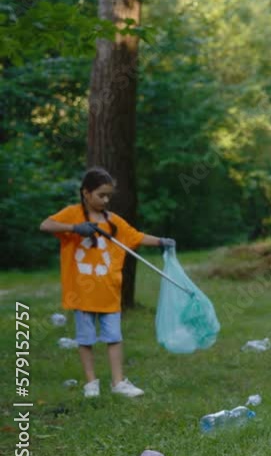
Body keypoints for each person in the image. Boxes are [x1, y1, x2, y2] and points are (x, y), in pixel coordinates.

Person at [40, 167, 175, 398]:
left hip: (109, 292)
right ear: (86, 193)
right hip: (81, 293)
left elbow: (137, 237)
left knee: (114, 337)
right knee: (85, 339)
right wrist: (74, 228)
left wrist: (161, 241)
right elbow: (46, 225)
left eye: (108, 196)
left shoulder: (113, 222)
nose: (105, 200)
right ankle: (91, 383)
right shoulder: (73, 215)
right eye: (100, 195)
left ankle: (118, 382)